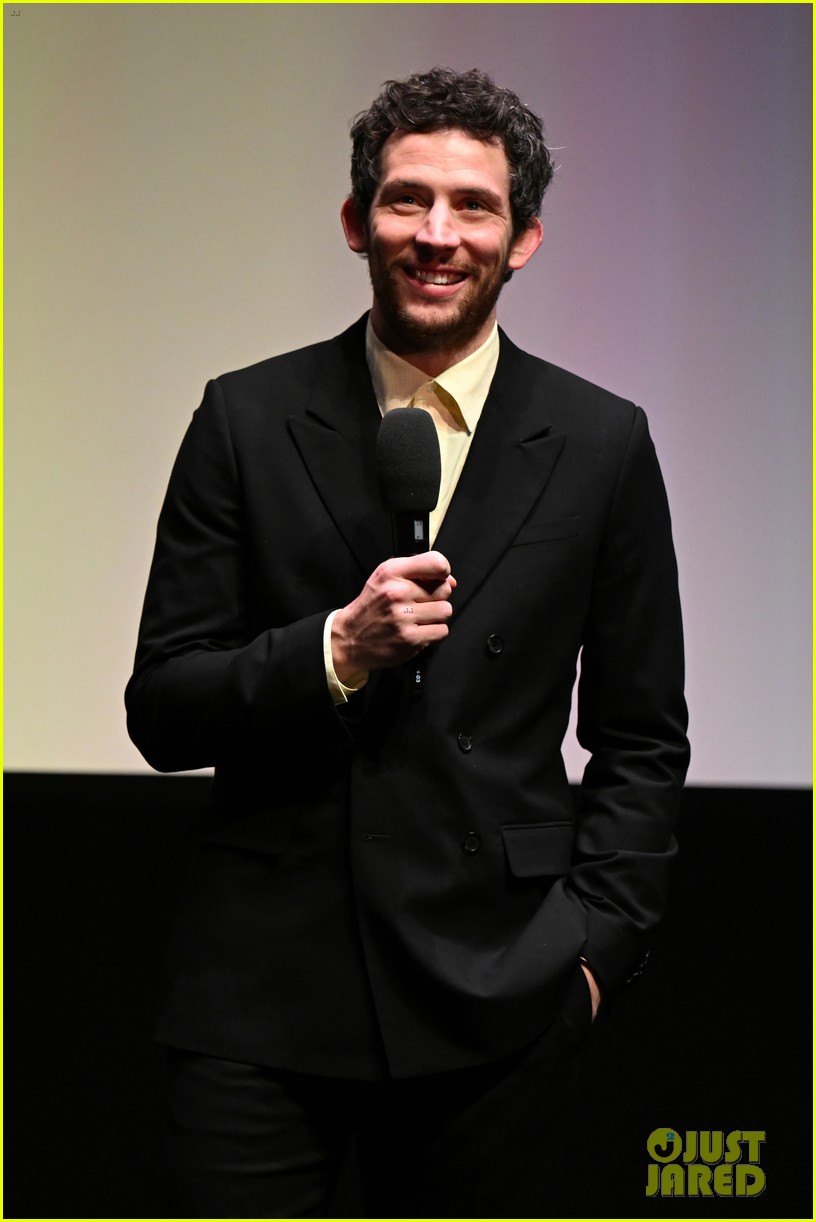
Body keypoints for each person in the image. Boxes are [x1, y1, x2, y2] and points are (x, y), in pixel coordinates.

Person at [126, 66, 689, 1218]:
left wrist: (593, 956)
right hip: (261, 993)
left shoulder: (601, 443)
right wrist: (334, 649)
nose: (438, 234)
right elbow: (164, 705)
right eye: (406, 200)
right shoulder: (246, 417)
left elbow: (641, 734)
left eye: (474, 206)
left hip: (502, 991)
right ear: (356, 221)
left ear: (523, 238)